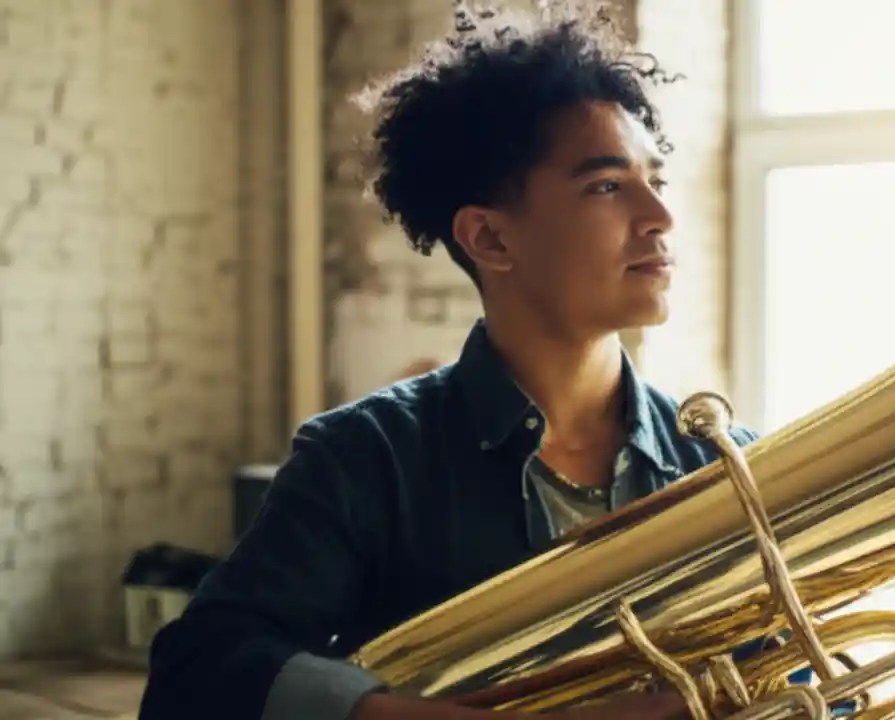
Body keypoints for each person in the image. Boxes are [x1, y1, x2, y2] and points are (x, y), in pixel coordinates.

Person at [137, 4, 758, 719]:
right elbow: (198, 671)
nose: (662, 216)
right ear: (491, 240)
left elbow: (807, 674)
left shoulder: (730, 467)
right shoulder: (364, 459)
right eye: (607, 186)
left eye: (657, 179)